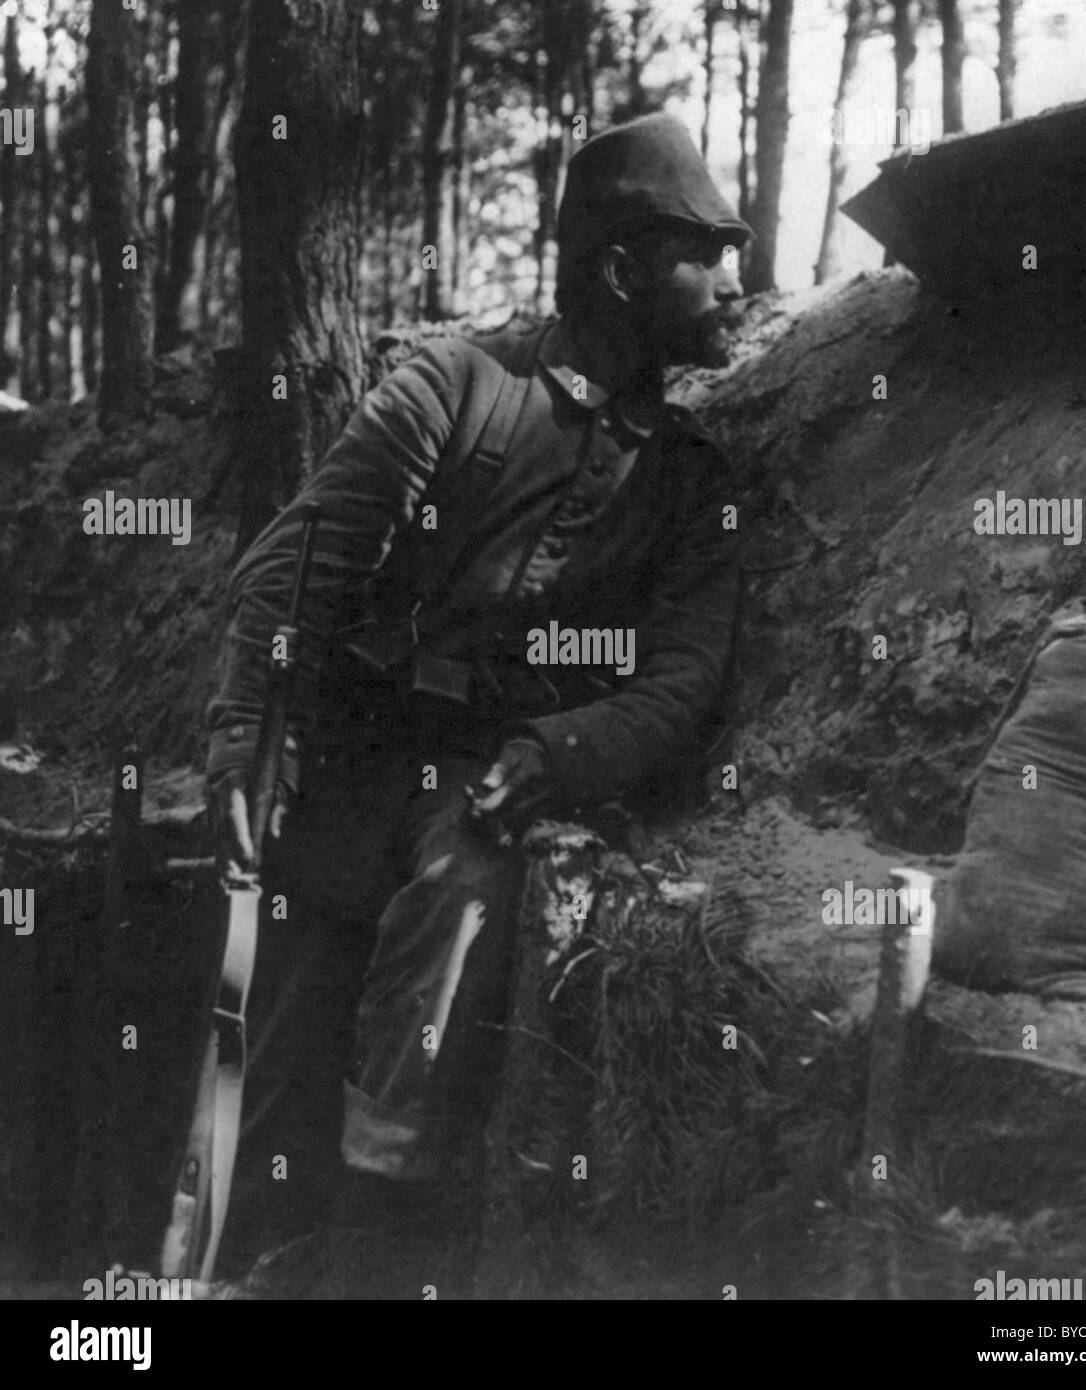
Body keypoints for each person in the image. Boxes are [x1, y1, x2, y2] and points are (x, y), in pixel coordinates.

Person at [203, 112, 751, 1274]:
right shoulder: (455, 389)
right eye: (709, 254)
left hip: (487, 785)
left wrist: (561, 748)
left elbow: (684, 683)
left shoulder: (694, 483)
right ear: (620, 268)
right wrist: (249, 733)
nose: (735, 283)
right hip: (349, 765)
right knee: (281, 1054)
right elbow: (296, 573)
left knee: (452, 924)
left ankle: (371, 1253)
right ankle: (261, 1260)